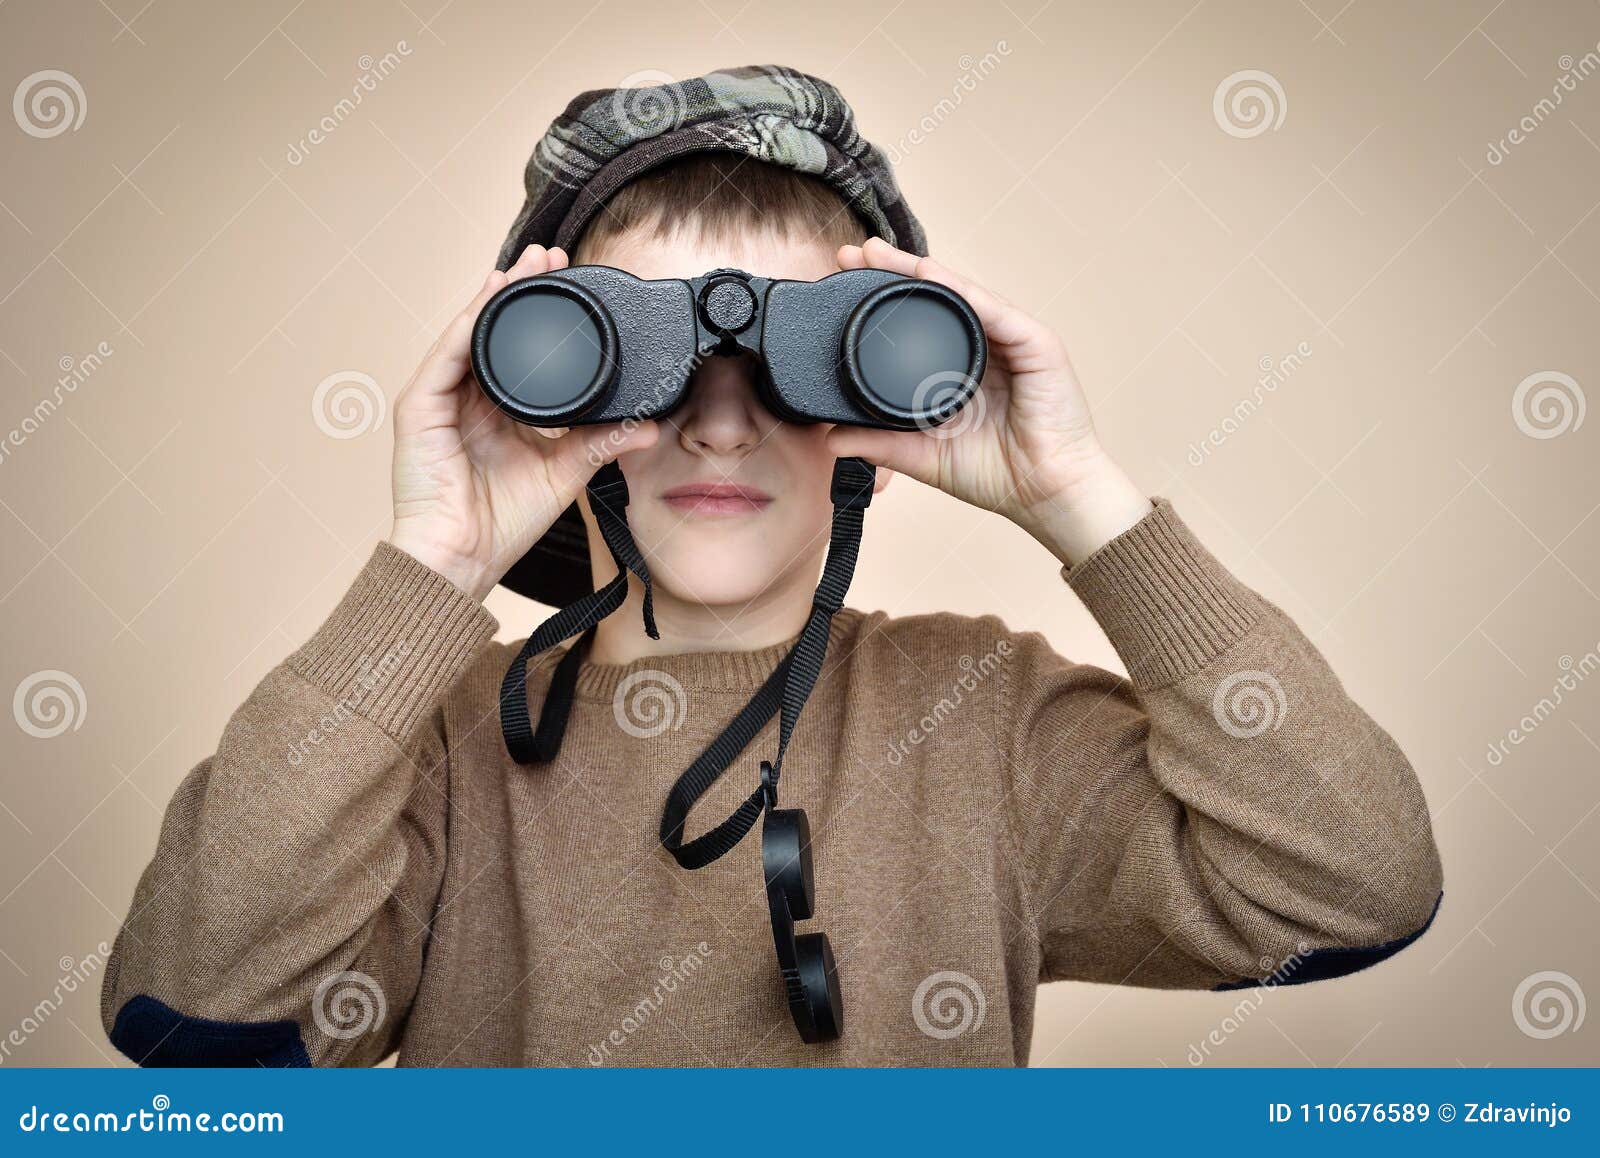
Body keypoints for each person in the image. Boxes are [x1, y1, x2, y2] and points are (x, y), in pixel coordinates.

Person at [101, 66, 1442, 1067]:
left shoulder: (984, 716)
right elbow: (195, 1025)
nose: (720, 416)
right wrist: (429, 572)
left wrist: (1080, 500)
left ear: (885, 396)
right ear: (546, 377)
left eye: (802, 362)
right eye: (644, 354)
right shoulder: (436, 748)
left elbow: (1350, 883)